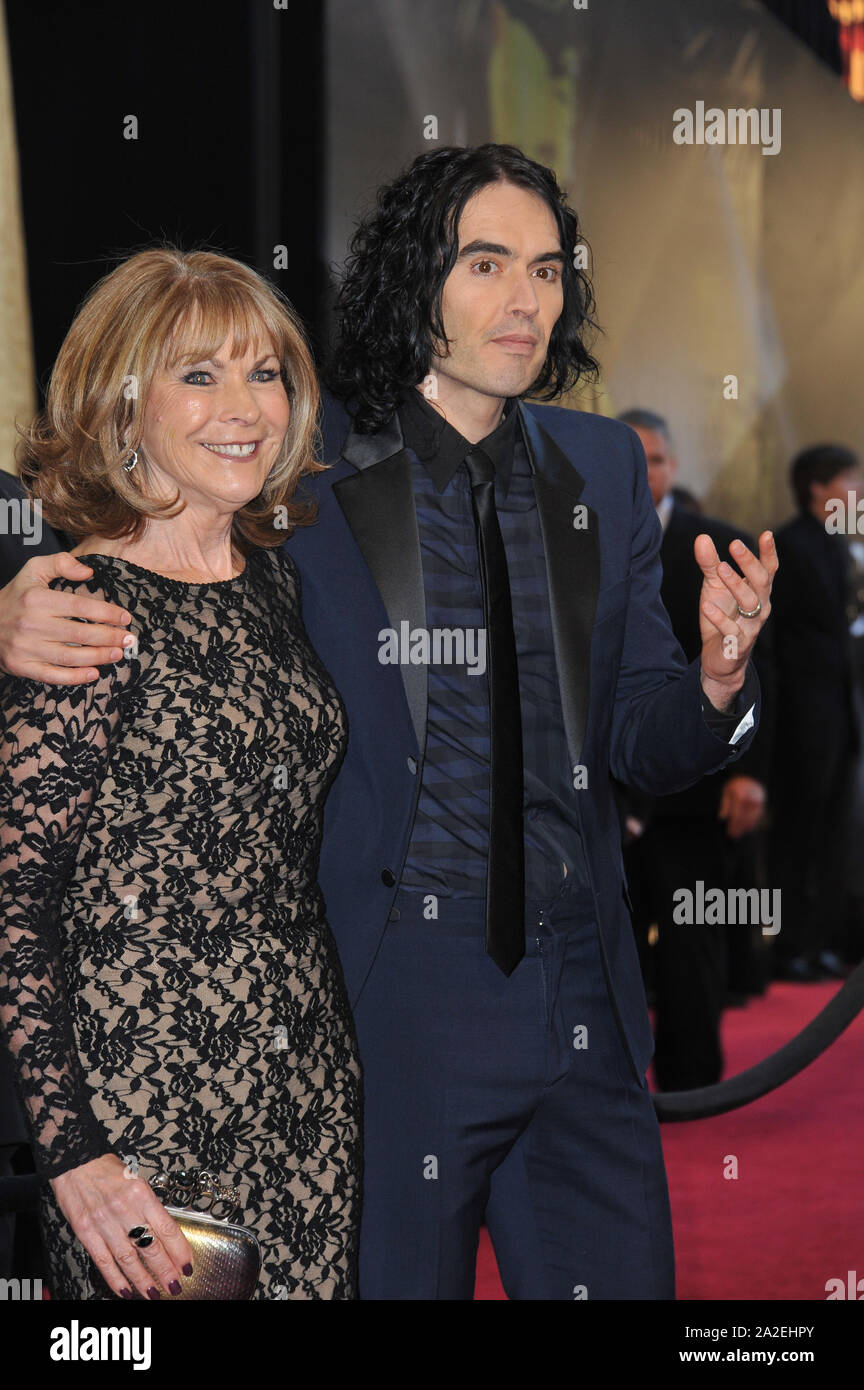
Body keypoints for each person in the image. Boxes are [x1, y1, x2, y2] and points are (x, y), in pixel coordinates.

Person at [0, 145, 775, 1300]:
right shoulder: (293, 467)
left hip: (583, 997)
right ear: (418, 279)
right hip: (386, 1008)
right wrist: (12, 602)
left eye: (550, 269)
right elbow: (136, 543)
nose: (527, 300)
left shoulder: (602, 466)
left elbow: (637, 738)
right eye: (487, 263)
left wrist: (719, 679)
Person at [0, 249, 361, 1301]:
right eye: (198, 376)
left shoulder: (275, 586)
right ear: (124, 402)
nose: (243, 407)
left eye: (266, 372)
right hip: (140, 1097)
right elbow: (18, 908)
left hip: (307, 1080)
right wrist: (73, 1157)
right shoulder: (82, 608)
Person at [617, 409, 774, 1090]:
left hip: (698, 790)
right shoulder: (572, 541)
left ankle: (693, 1086)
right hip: (609, 790)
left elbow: (777, 674)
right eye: (632, 460)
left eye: (654, 458)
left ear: (673, 464)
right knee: (612, 951)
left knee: (692, 944)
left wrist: (753, 776)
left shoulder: (726, 547)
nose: (645, 472)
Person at [769, 444, 863, 981]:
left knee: (833, 834)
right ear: (817, 489)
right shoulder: (789, 545)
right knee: (796, 837)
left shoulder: (838, 548)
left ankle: (823, 941)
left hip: (840, 713)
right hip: (802, 721)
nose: (859, 493)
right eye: (850, 482)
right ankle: (789, 947)